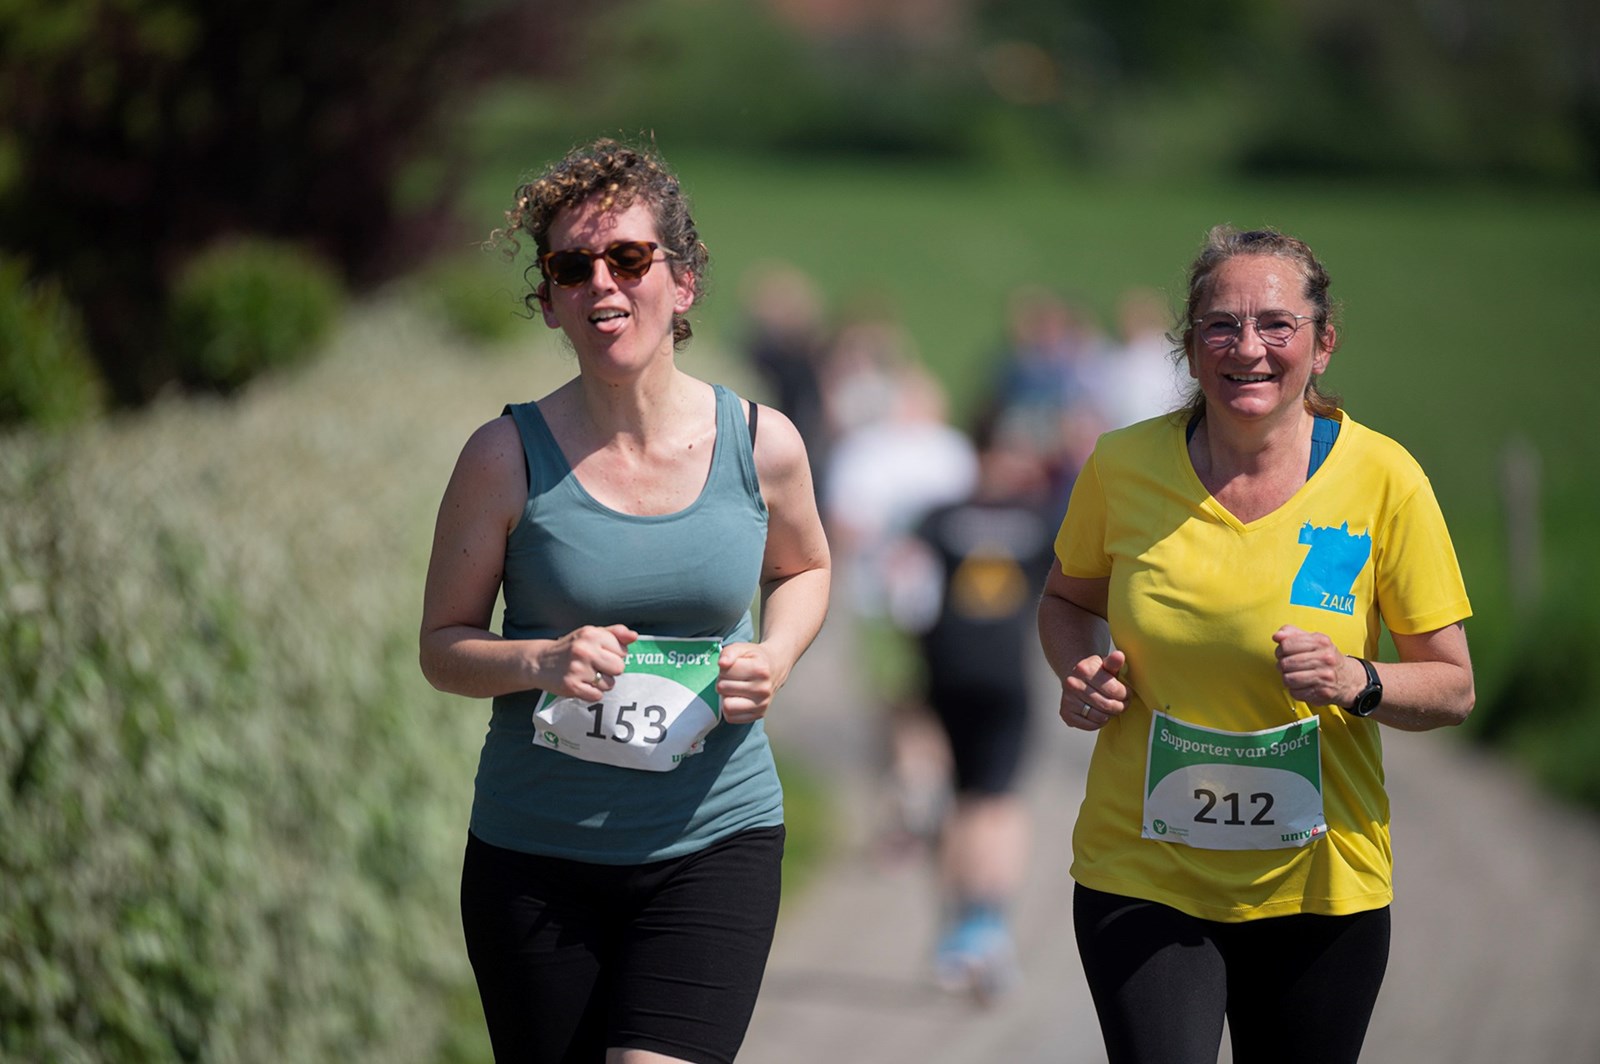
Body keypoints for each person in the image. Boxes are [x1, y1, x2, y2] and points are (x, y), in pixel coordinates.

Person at [419, 137, 831, 1064]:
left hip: (715, 841)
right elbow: (442, 646)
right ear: (550, 300)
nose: (602, 282)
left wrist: (776, 655)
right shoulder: (503, 457)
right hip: (536, 862)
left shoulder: (762, 444)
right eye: (572, 267)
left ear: (682, 283)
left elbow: (805, 569)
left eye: (629, 258)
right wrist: (540, 659)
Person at [1037, 225, 1475, 1064]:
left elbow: (1453, 687)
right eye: (1221, 325)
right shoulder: (1122, 466)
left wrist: (1356, 678)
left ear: (1323, 343)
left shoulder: (1385, 478)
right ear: (1189, 346)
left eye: (1277, 324)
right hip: (1143, 870)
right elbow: (1064, 600)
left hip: (1321, 886)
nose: (1248, 349)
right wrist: (1078, 669)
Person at [886, 417, 1060, 1003]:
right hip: (969, 681)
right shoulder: (1037, 520)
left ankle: (974, 927)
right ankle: (975, 926)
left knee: (986, 803)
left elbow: (901, 596)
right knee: (979, 804)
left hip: (976, 678)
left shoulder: (943, 518)